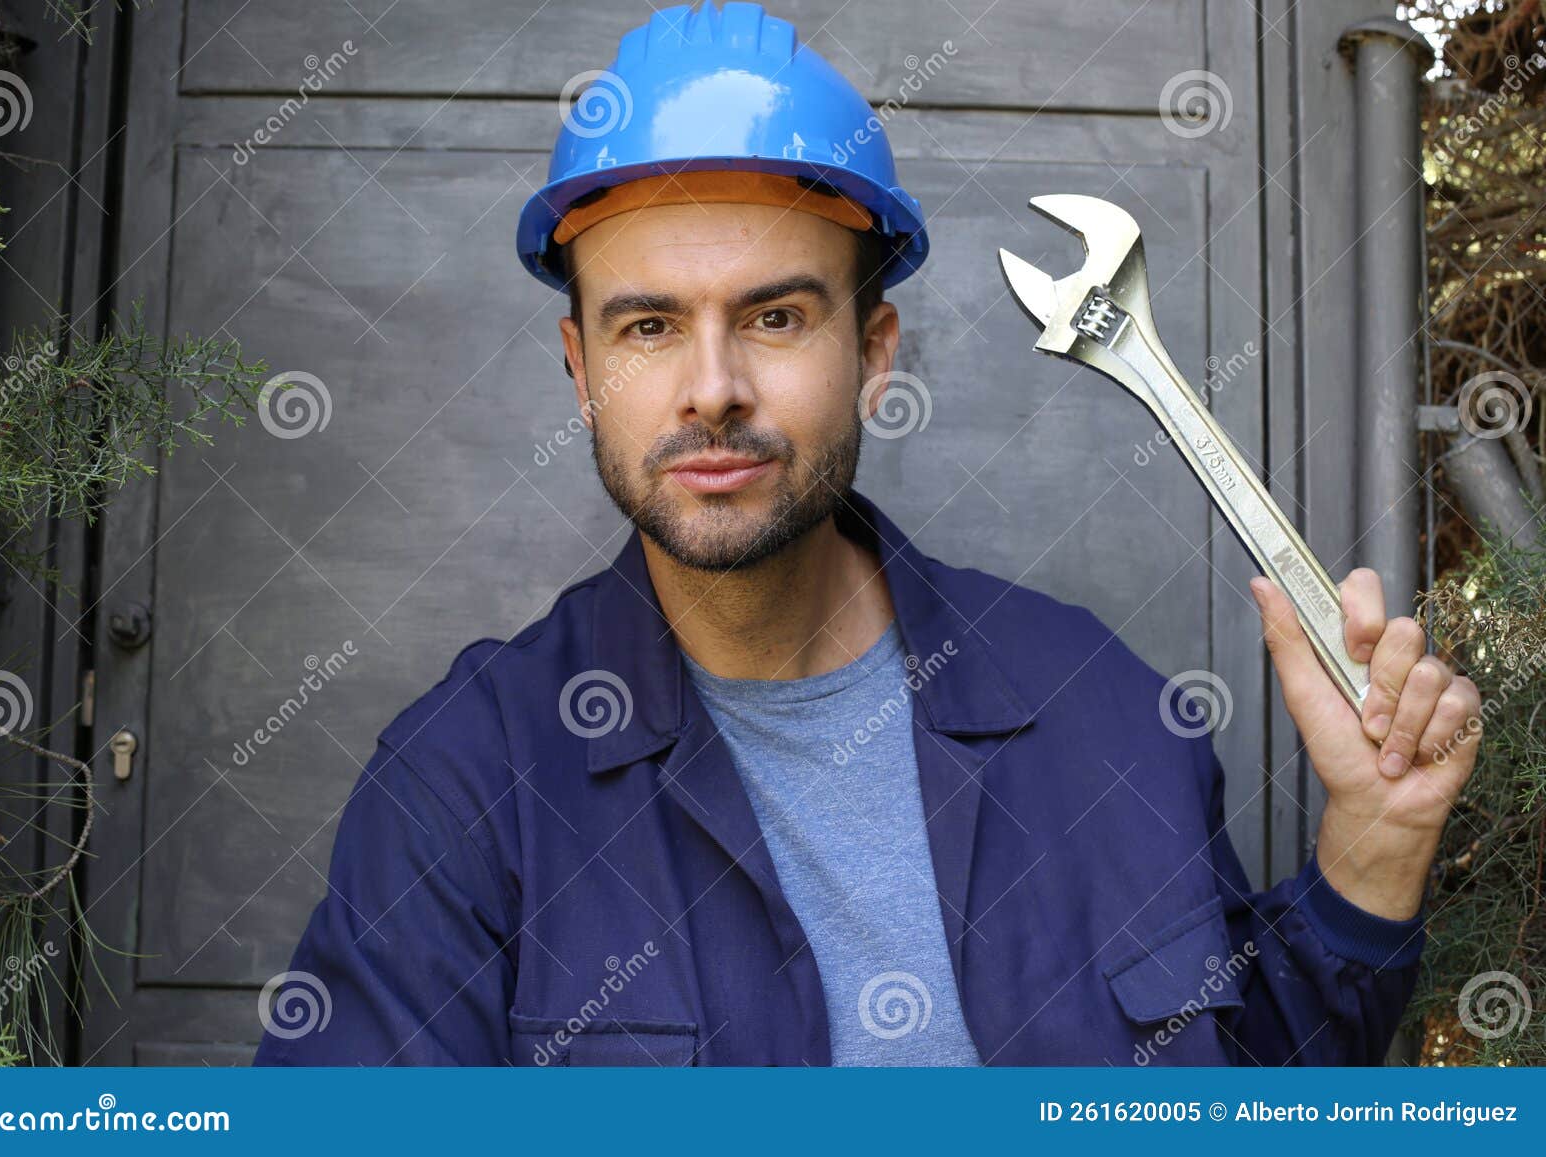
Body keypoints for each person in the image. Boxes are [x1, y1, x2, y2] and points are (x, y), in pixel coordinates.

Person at [253, 1, 1480, 1067]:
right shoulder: (463, 792)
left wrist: (1369, 859)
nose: (713, 386)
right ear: (581, 368)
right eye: (647, 329)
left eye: (775, 316)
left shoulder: (1105, 711)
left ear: (873, 352)